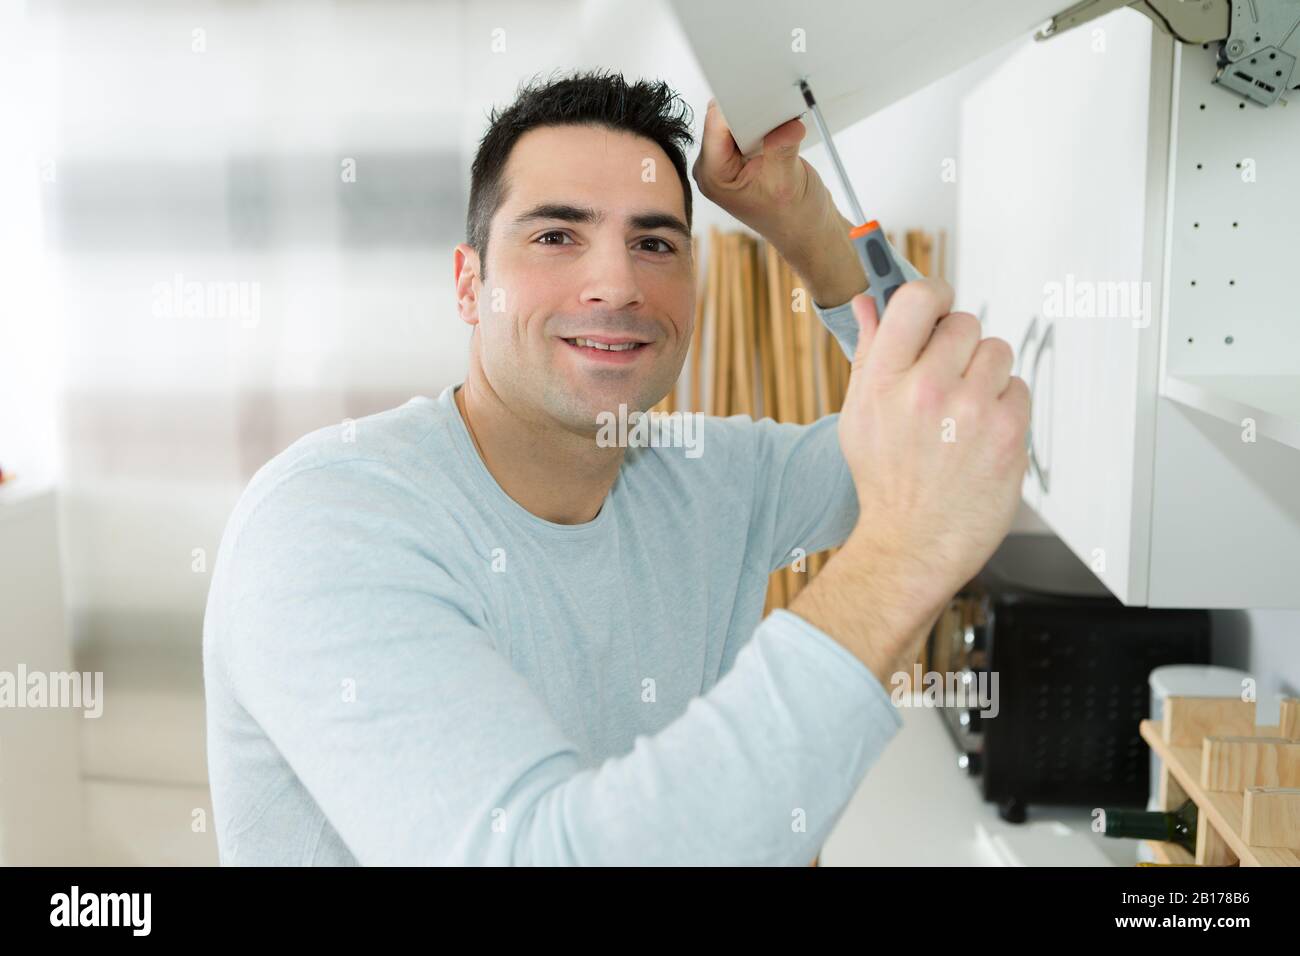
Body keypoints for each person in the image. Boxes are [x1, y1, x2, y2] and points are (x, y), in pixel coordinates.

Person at [202, 70, 1029, 865]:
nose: (617, 282)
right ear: (468, 284)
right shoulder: (325, 521)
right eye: (557, 235)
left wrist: (802, 221)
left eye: (655, 242)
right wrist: (897, 566)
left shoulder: (706, 480)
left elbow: (957, 429)